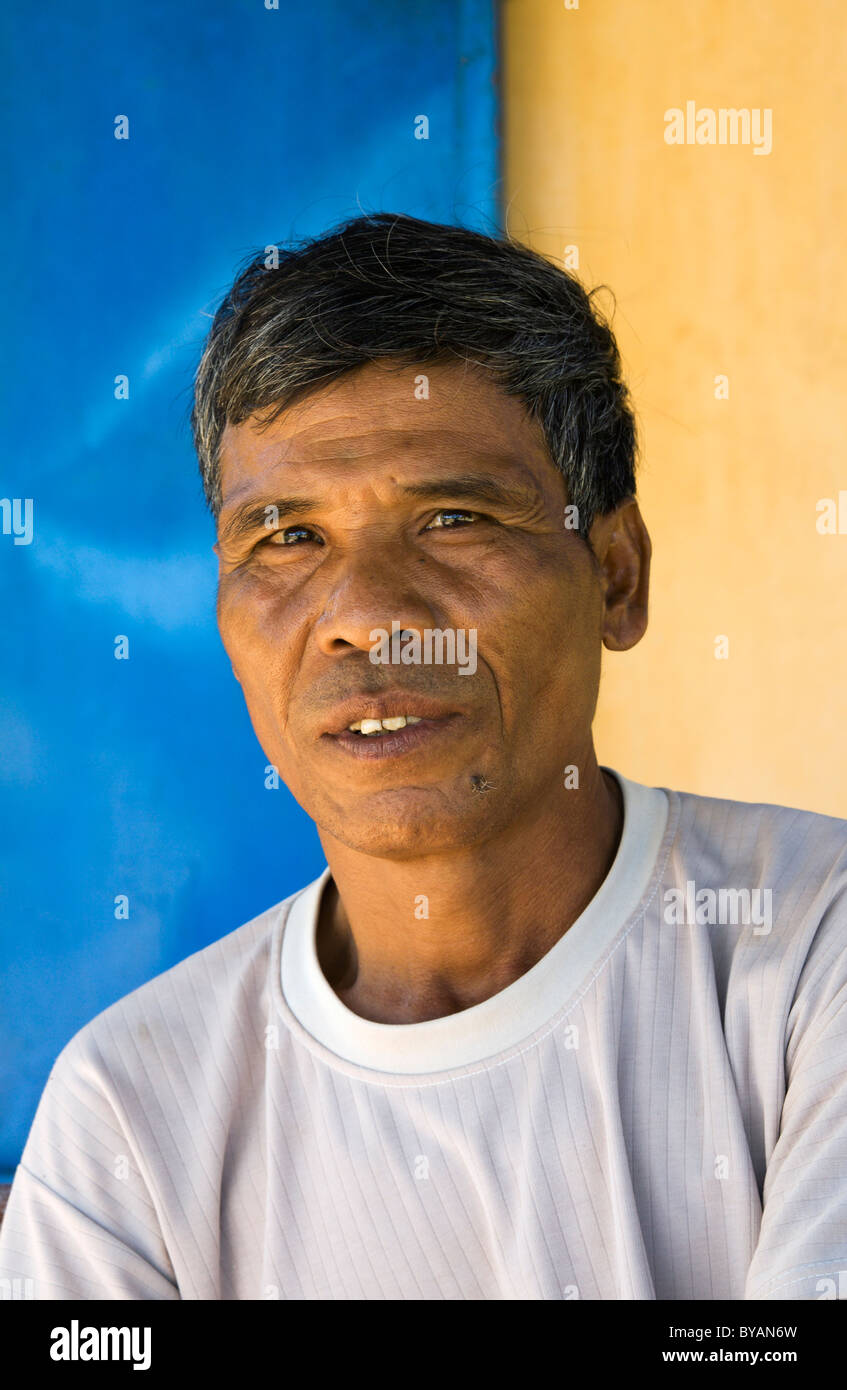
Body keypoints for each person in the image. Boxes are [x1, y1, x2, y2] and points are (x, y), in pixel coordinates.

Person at [1, 212, 845, 1301]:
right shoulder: (127, 1117)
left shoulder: (808, 953)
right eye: (287, 537)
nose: (365, 616)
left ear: (617, 576)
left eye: (451, 518)